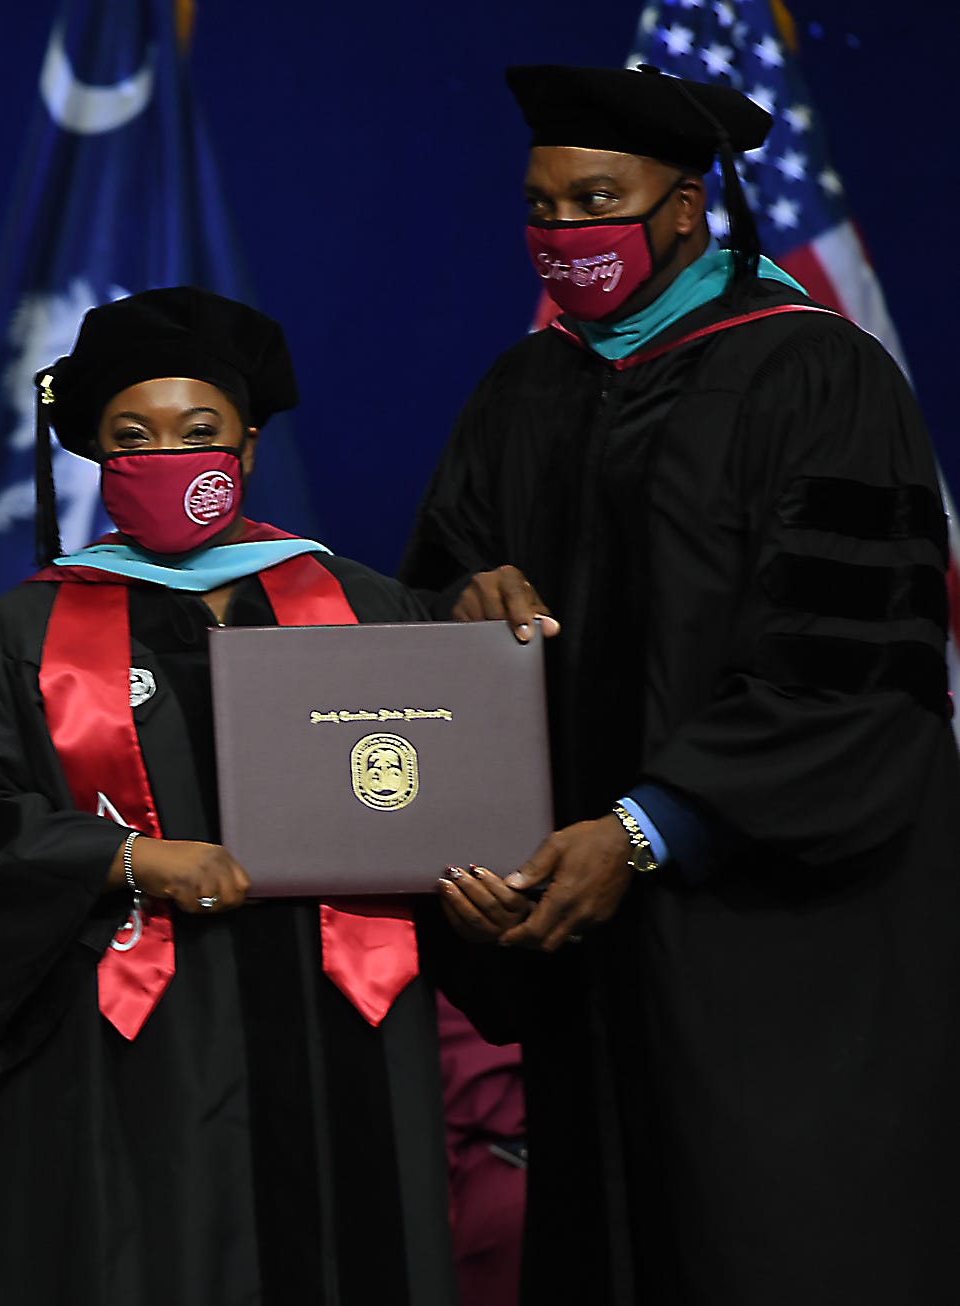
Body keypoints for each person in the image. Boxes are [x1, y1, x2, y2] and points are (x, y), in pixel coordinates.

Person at [402, 64, 960, 1305]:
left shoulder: (816, 375)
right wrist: (457, 601)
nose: (563, 236)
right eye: (541, 208)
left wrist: (651, 829)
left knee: (767, 1243)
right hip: (585, 947)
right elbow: (435, 591)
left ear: (686, 206)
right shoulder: (522, 390)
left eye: (597, 200)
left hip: (775, 947)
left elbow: (859, 675)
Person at [0, 287, 454, 1306]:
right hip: (115, 1047)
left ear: (245, 449)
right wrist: (123, 859)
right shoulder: (14, 638)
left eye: (199, 432)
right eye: (133, 437)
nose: (169, 457)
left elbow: (435, 796)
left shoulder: (366, 609)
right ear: (98, 464)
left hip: (340, 1035)